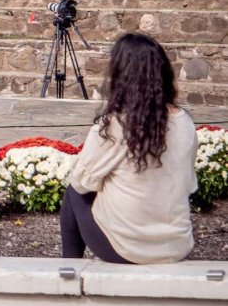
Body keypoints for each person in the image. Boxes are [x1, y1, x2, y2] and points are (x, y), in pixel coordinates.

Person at [61, 33, 197, 265]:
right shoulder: (184, 121)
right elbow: (189, 183)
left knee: (73, 194)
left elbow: (80, 181)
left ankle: (67, 270)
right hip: (176, 245)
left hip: (125, 248)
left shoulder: (115, 125)